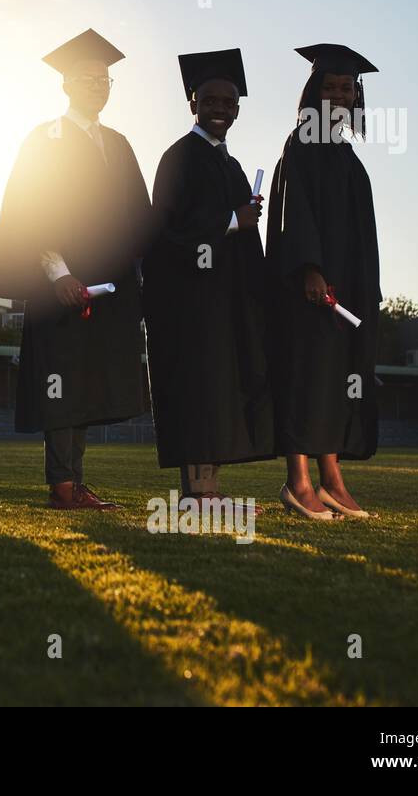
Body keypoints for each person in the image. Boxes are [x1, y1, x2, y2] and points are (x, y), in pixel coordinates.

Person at [0, 29, 152, 510]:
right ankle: (63, 484)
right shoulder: (44, 139)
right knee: (61, 379)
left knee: (87, 382)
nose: (99, 85)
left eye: (105, 79)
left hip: (110, 287)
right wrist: (57, 272)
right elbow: (29, 210)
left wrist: (140, 281)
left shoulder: (118, 144)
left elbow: (139, 218)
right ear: (65, 84)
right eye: (88, 77)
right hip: (61, 284)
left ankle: (74, 480)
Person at [142, 49, 273, 507]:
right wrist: (233, 221)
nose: (221, 109)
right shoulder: (178, 158)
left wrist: (245, 222)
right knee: (196, 389)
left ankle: (209, 488)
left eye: (230, 102)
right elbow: (165, 231)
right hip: (190, 302)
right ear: (192, 101)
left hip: (225, 300)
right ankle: (195, 490)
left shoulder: (231, 165)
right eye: (211, 100)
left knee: (220, 391)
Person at [265, 44, 382, 520]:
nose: (340, 95)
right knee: (304, 379)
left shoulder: (346, 155)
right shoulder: (302, 144)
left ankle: (332, 480)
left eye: (347, 88)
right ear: (313, 92)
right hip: (308, 291)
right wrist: (310, 268)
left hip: (345, 293)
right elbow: (295, 213)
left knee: (335, 384)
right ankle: (298, 482)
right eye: (330, 87)